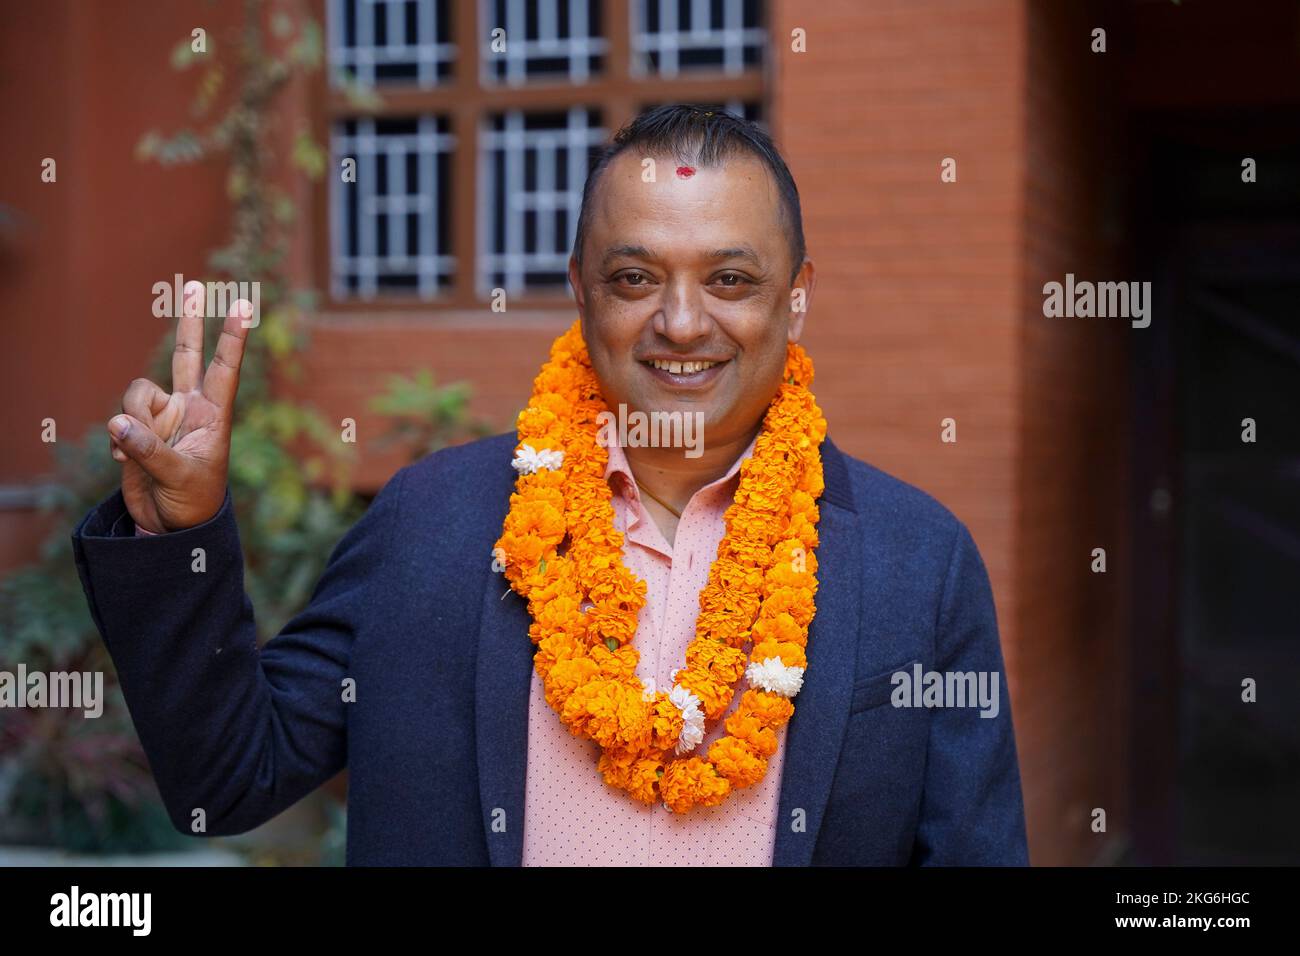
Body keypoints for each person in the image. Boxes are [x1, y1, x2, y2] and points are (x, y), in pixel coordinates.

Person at [71, 105, 1029, 866]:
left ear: (798, 294)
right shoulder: (431, 524)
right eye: (635, 277)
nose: (683, 323)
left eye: (731, 279)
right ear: (580, 289)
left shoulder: (919, 562)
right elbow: (230, 779)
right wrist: (181, 535)